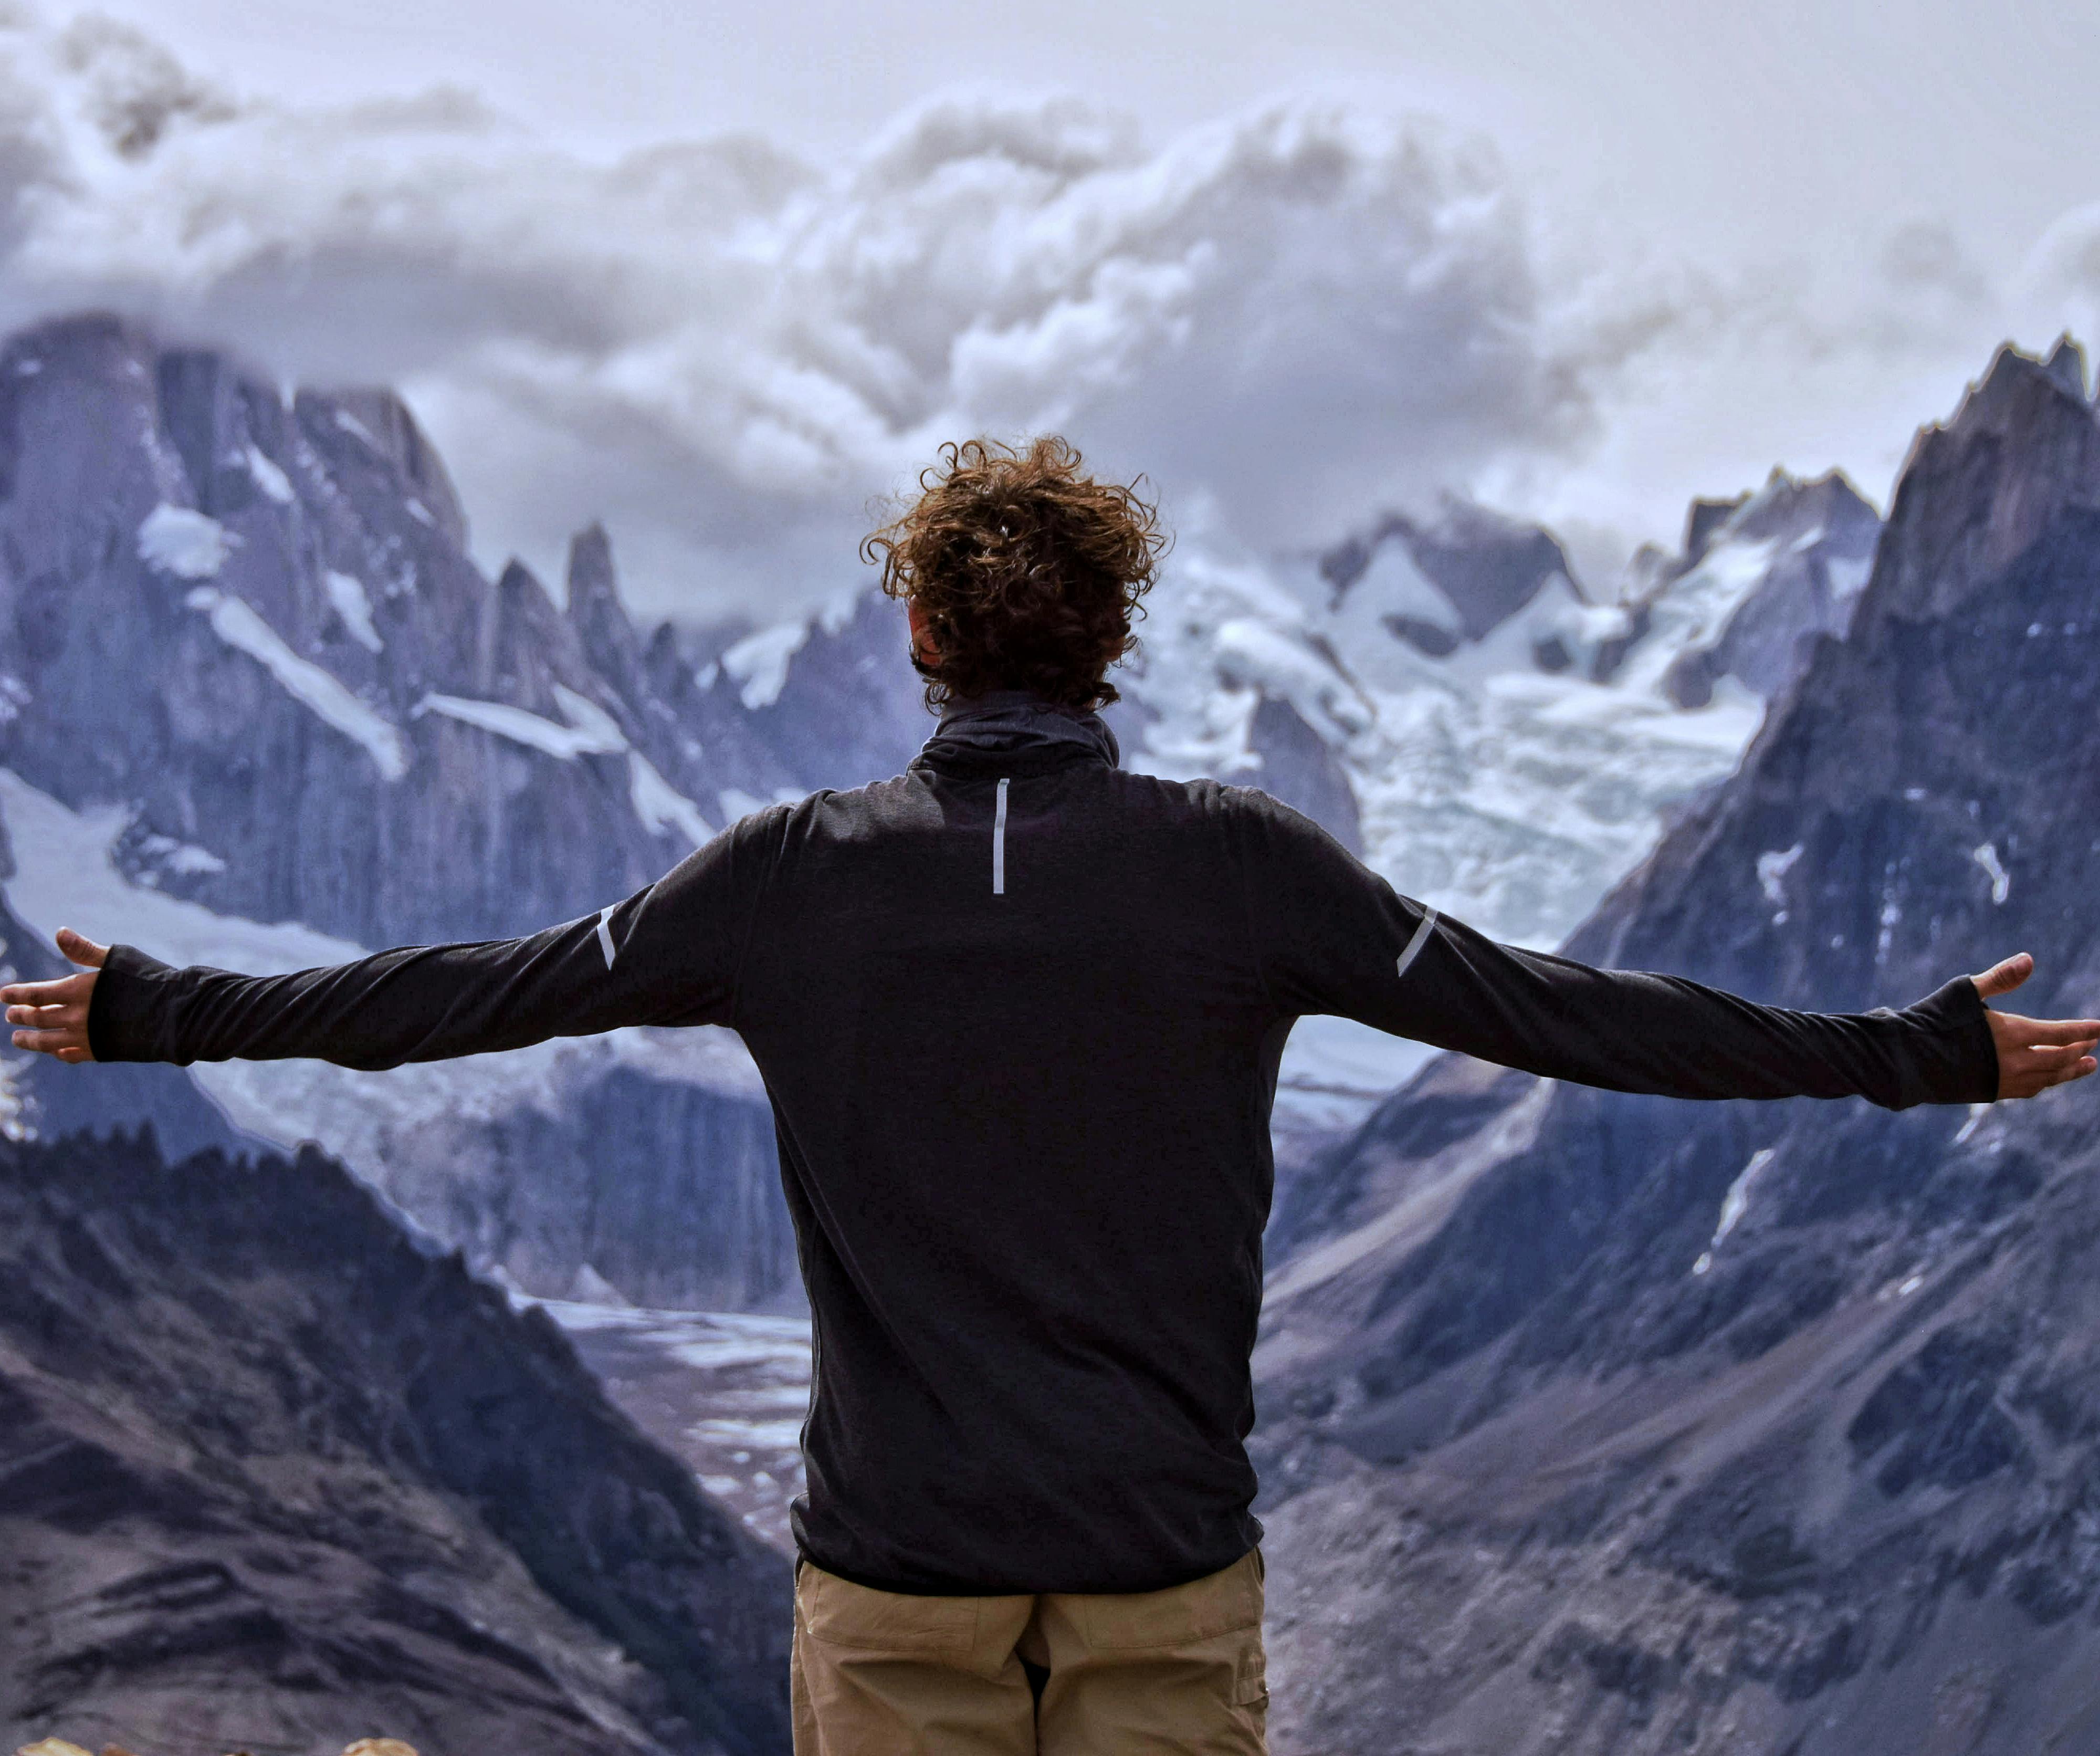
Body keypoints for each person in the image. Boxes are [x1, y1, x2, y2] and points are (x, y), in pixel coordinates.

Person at [9, 434, 2097, 1756]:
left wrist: (153, 1012)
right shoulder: (1245, 864)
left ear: (914, 632)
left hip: (893, 1581)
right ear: (1116, 638)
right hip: (1160, 1578)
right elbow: (1563, 1013)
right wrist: (1911, 1055)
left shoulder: (789, 880)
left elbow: (477, 994)